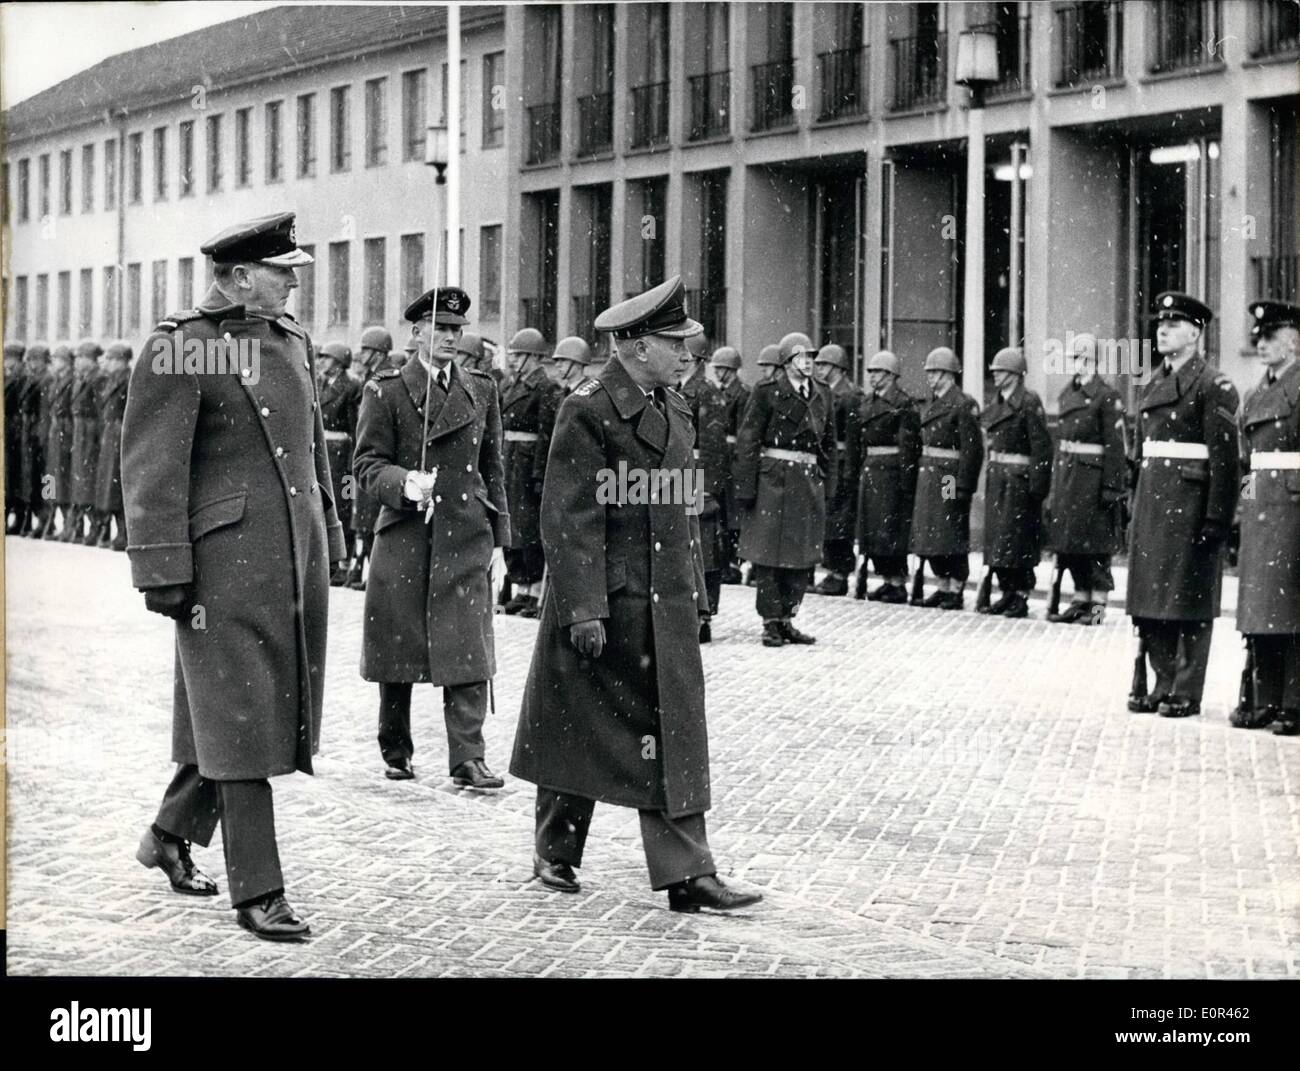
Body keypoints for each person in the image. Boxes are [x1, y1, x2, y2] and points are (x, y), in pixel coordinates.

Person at [123, 211, 344, 941]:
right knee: (242, 719)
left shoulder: (290, 341)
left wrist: (329, 534)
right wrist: (162, 570)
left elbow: (312, 452)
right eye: (284, 271)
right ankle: (260, 889)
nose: (294, 283)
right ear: (241, 276)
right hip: (221, 568)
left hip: (291, 557)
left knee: (247, 708)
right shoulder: (184, 346)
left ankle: (168, 833)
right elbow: (152, 465)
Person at [510, 276, 763, 913]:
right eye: (672, 342)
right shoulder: (587, 409)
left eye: (687, 344)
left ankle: (688, 872)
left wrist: (697, 590)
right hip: (609, 599)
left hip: (664, 599)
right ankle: (555, 851)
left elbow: (679, 512)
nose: (687, 355)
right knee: (576, 728)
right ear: (631, 346)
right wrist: (584, 608)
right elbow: (569, 518)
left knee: (674, 729)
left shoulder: (676, 406)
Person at [353, 284, 511, 788]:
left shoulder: (482, 390)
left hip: (465, 534)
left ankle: (468, 756)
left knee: (467, 646)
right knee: (398, 650)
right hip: (406, 536)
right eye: (439, 329)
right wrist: (404, 483)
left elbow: (494, 468)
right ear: (417, 332)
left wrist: (500, 537)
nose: (448, 338)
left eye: (455, 330)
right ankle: (395, 747)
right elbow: (366, 464)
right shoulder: (387, 390)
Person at [1127, 292, 1240, 719]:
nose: (1162, 330)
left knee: (1188, 598)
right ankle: (1161, 680)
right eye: (1160, 323)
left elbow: (1227, 462)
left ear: (1194, 334)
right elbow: (1140, 451)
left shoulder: (1214, 385)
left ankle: (1187, 689)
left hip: (1190, 504)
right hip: (1154, 501)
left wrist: (1217, 516)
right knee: (1153, 596)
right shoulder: (1153, 382)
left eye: (1173, 324)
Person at [734, 331, 837, 646]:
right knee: (769, 555)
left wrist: (828, 484)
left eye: (810, 358)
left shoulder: (823, 394)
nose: (807, 364)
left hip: (807, 481)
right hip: (773, 480)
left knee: (801, 555)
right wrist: (747, 488)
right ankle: (770, 620)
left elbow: (829, 443)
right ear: (787, 363)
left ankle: (789, 617)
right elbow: (748, 439)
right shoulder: (766, 392)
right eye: (801, 358)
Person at [1232, 300, 1300, 735]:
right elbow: (1246, 462)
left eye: (1271, 337)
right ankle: (1263, 697)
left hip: (1294, 507)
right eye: (1258, 337)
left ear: (1294, 342)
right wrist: (1245, 506)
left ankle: (1293, 701)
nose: (1262, 344)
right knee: (1263, 609)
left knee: (1292, 608)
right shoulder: (1255, 393)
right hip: (1263, 510)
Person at [1045, 333, 1127, 624]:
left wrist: (1112, 488)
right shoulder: (1068, 394)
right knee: (1071, 543)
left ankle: (1098, 604)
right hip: (1069, 477)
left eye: (1082, 359)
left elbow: (1115, 447)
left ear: (1094, 361)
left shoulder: (1106, 396)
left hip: (1092, 481)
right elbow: (1060, 445)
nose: (1077, 365)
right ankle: (1080, 598)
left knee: (1095, 545)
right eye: (1074, 359)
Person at [978, 347, 1052, 618]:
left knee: (1017, 541)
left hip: (1019, 483)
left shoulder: (1029, 402)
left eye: (1000, 371)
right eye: (994, 371)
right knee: (999, 541)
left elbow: (1042, 448)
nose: (995, 376)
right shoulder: (996, 404)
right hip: (998, 479)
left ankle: (1020, 594)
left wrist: (1037, 488)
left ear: (1015, 374)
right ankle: (1006, 591)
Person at [909, 346, 983, 610]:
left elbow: (972, 450)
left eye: (936, 372)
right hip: (930, 474)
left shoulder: (963, 404)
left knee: (950, 528)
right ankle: (942, 584)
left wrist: (964, 486)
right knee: (931, 531)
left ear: (949, 374)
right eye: (929, 372)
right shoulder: (933, 403)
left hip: (949, 478)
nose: (930, 377)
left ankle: (955, 587)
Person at [846, 350, 920, 602]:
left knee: (891, 531)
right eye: (870, 372)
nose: (872, 377)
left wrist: (906, 482)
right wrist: (853, 475)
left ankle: (897, 581)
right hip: (870, 470)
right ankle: (886, 578)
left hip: (892, 473)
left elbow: (909, 446)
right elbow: (856, 444)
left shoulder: (902, 403)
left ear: (890, 375)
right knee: (872, 531)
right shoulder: (865, 403)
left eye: (877, 372)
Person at [499, 327, 555, 617]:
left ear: (533, 357)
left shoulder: (544, 388)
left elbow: (546, 435)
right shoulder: (511, 385)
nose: (514, 361)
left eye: (519, 355)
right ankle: (520, 586)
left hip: (527, 463)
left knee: (529, 528)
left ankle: (534, 590)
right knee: (512, 526)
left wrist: (538, 475)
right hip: (509, 461)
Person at [678, 331, 730, 642]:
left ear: (696, 360)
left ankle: (705, 614)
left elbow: (714, 446)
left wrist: (709, 487)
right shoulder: (672, 388)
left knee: (705, 550)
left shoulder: (707, 393)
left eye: (685, 356)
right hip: (676, 474)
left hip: (698, 474)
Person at [346, 326, 397, 590]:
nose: (362, 353)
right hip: (365, 450)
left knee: (376, 517)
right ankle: (368, 573)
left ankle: (378, 577)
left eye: (366, 349)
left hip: (379, 453)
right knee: (364, 517)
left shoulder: (385, 377)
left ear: (377, 352)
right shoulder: (370, 375)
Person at [812, 343, 861, 597]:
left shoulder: (849, 396)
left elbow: (853, 440)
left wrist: (849, 472)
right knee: (828, 520)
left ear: (838, 368)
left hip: (842, 464)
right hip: (829, 461)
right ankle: (833, 570)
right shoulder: (825, 392)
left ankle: (840, 573)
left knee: (839, 523)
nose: (819, 369)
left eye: (824, 364)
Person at [318, 341, 362, 585]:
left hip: (343, 457)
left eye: (327, 358)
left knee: (343, 506)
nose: (322, 362)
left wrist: (353, 462)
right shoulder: (321, 382)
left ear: (339, 361)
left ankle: (344, 562)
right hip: (324, 454)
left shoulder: (352, 386)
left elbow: (357, 428)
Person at [710, 345, 747, 585]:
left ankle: (734, 562)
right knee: (720, 513)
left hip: (733, 459)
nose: (718, 373)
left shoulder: (743, 394)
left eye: (722, 369)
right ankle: (724, 561)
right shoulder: (716, 393)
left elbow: (744, 430)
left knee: (734, 515)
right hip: (719, 458)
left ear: (731, 370)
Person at [93, 342, 131, 551]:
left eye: (110, 358)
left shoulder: (128, 380)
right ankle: (112, 531)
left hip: (120, 436)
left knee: (118, 487)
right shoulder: (109, 381)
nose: (106, 362)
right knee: (108, 487)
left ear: (121, 361)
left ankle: (124, 534)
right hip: (109, 436)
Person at [68, 340, 102, 544]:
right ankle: (76, 525)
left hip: (90, 434)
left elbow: (100, 413)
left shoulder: (98, 380)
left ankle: (95, 526)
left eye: (81, 357)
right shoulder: (80, 379)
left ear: (91, 360)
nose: (77, 361)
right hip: (78, 432)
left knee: (89, 482)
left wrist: (95, 439)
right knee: (77, 480)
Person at [18, 341, 51, 538]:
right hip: (31, 433)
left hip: (42, 434)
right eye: (30, 360)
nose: (31, 363)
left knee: (48, 478)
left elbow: (45, 410)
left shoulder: (46, 379)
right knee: (31, 478)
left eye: (35, 360)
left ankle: (46, 517)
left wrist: (41, 434)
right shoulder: (32, 379)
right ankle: (33, 517)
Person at [42, 344, 75, 541]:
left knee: (64, 480)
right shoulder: (55, 381)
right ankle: (49, 517)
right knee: (51, 478)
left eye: (59, 359)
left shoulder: (70, 381)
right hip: (54, 433)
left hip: (65, 433)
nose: (55, 363)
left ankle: (68, 524)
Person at [5, 342, 27, 534]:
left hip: (20, 434)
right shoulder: (7, 377)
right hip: (12, 435)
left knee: (46, 478)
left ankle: (24, 518)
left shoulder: (22, 379)